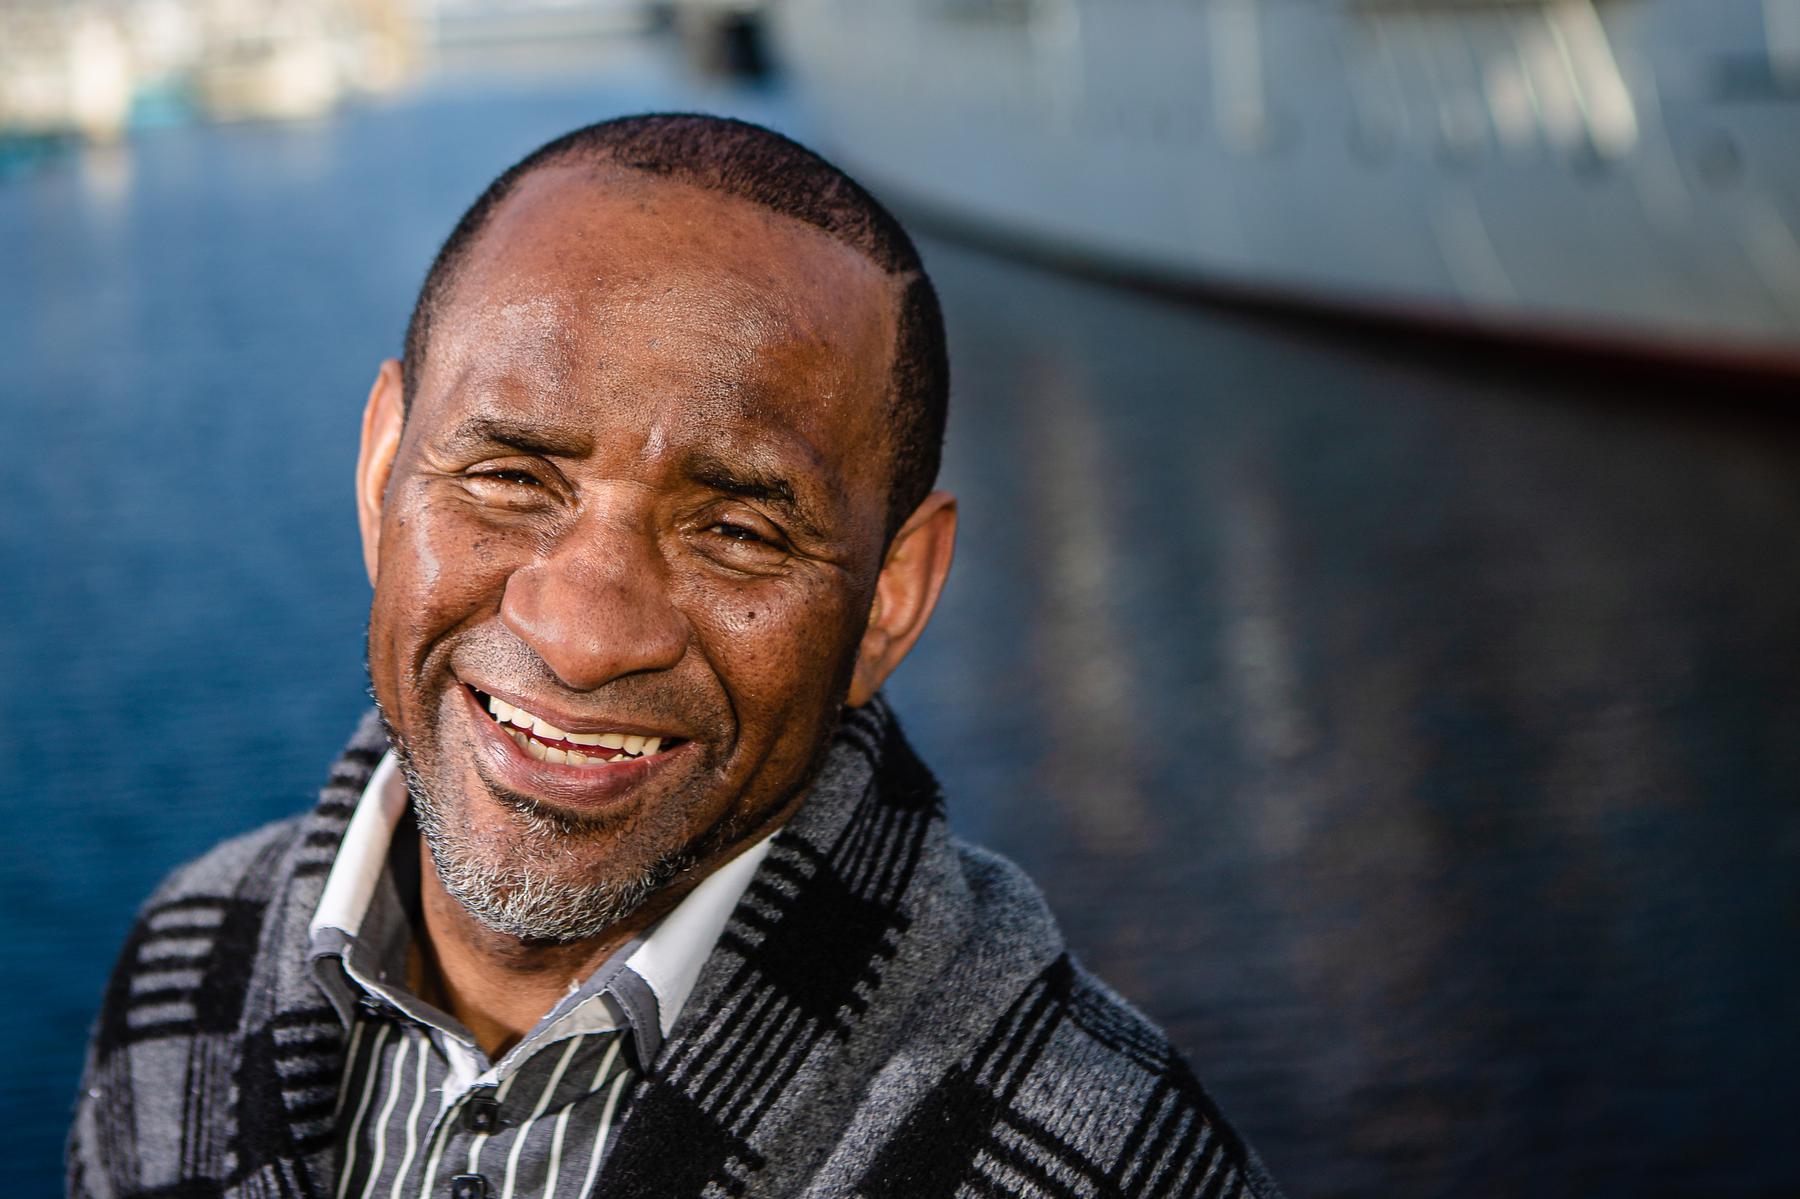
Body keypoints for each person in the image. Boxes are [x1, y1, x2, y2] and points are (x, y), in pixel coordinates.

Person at [70, 114, 1282, 1199]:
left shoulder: (1111, 1157)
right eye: (509, 476)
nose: (584, 634)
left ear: (891, 600)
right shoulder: (193, 950)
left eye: (740, 530)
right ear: (384, 467)